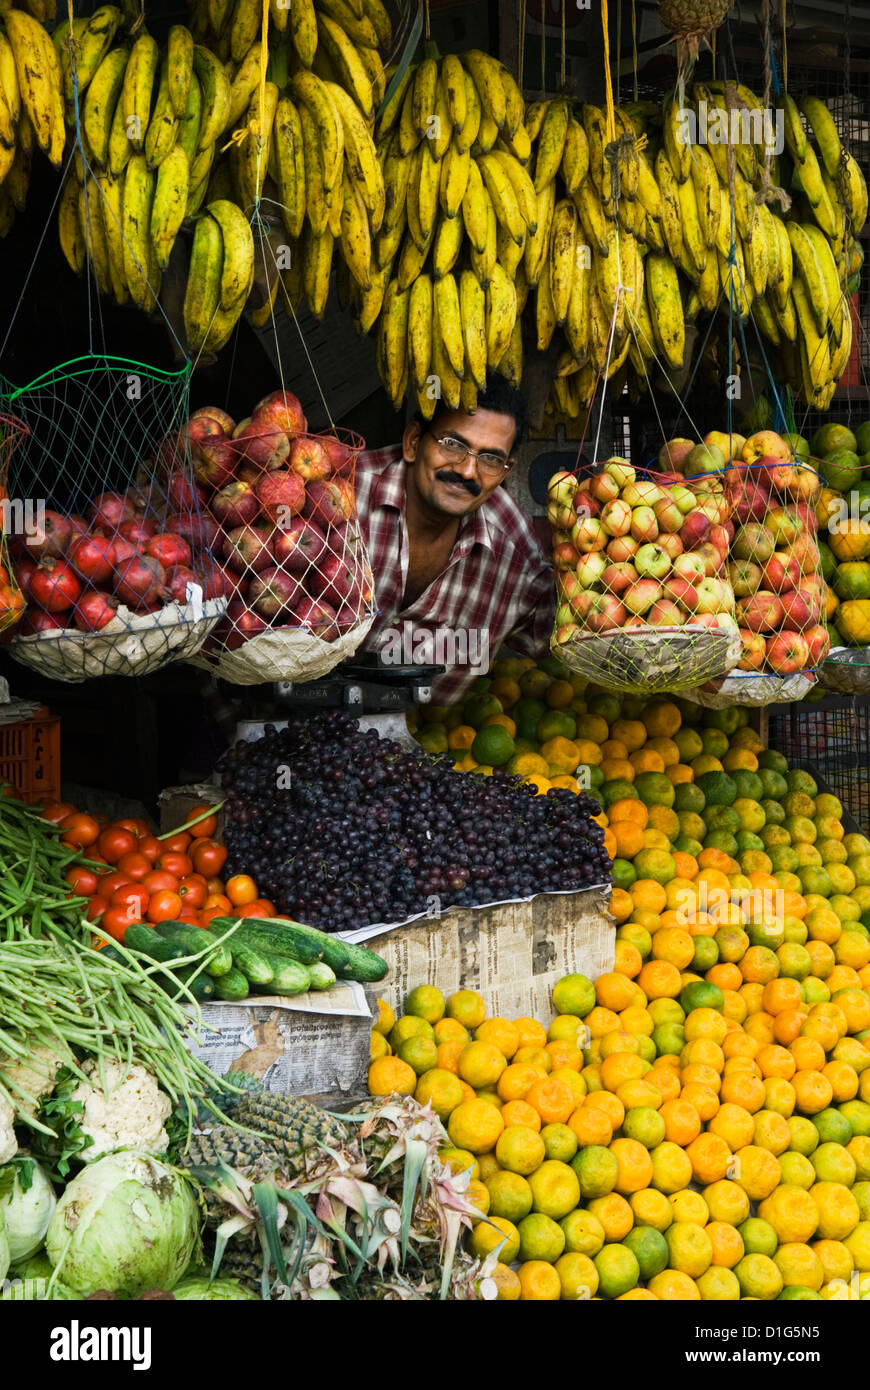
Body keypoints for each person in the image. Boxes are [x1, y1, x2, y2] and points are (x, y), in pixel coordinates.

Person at [354, 378, 555, 702]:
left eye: (490, 459)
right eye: (453, 444)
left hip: (428, 742)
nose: (466, 471)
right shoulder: (342, 497)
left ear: (505, 473)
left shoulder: (513, 549)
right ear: (413, 442)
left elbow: (561, 633)